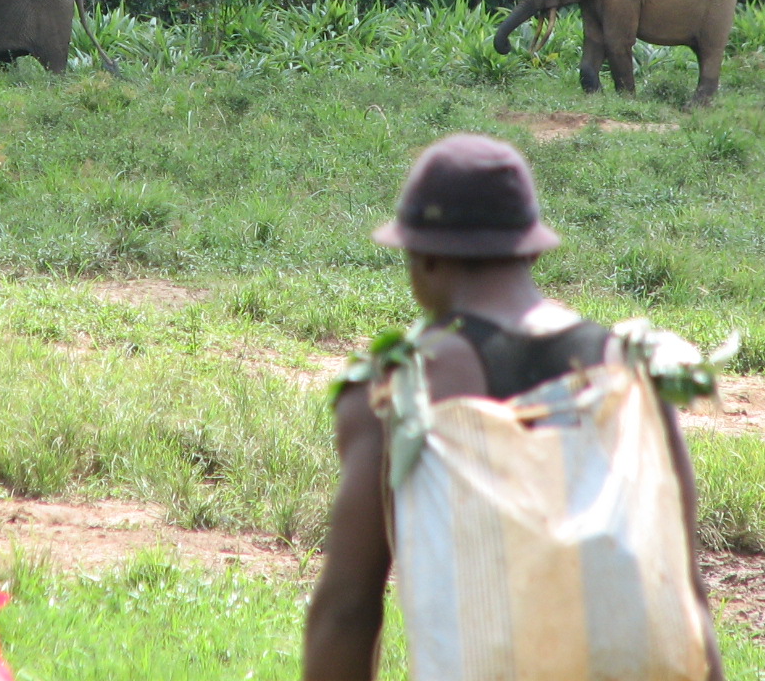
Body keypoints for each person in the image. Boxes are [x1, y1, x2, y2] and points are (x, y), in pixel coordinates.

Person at [302, 133, 723, 681]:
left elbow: (348, 610)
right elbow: (685, 590)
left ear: (423, 257)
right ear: (530, 249)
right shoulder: (636, 371)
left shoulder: (398, 388)